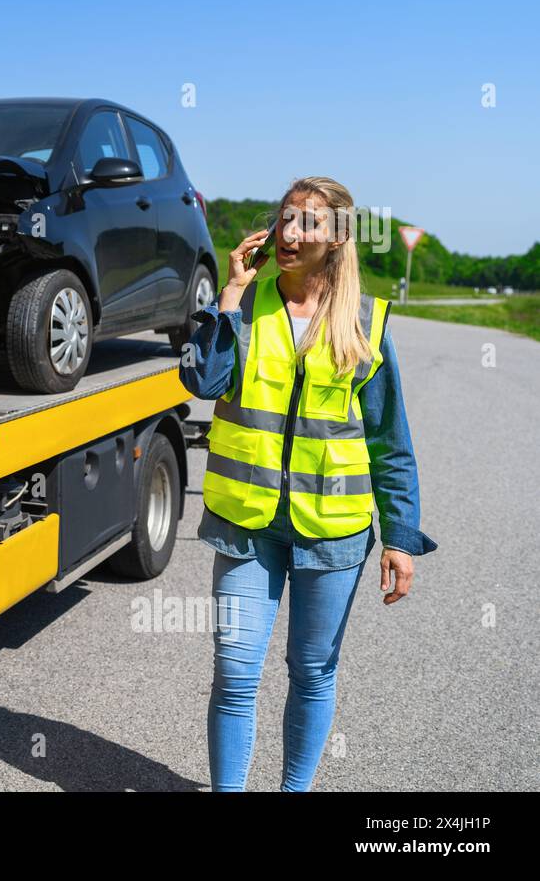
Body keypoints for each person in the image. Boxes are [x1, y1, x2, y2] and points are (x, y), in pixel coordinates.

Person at [178, 176, 437, 792]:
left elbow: (389, 441)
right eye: (285, 218)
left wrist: (401, 537)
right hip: (248, 522)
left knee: (312, 671)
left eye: (309, 223)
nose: (291, 233)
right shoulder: (247, 304)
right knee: (236, 674)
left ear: (338, 237)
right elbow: (202, 383)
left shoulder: (366, 323)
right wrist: (231, 292)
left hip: (333, 533)